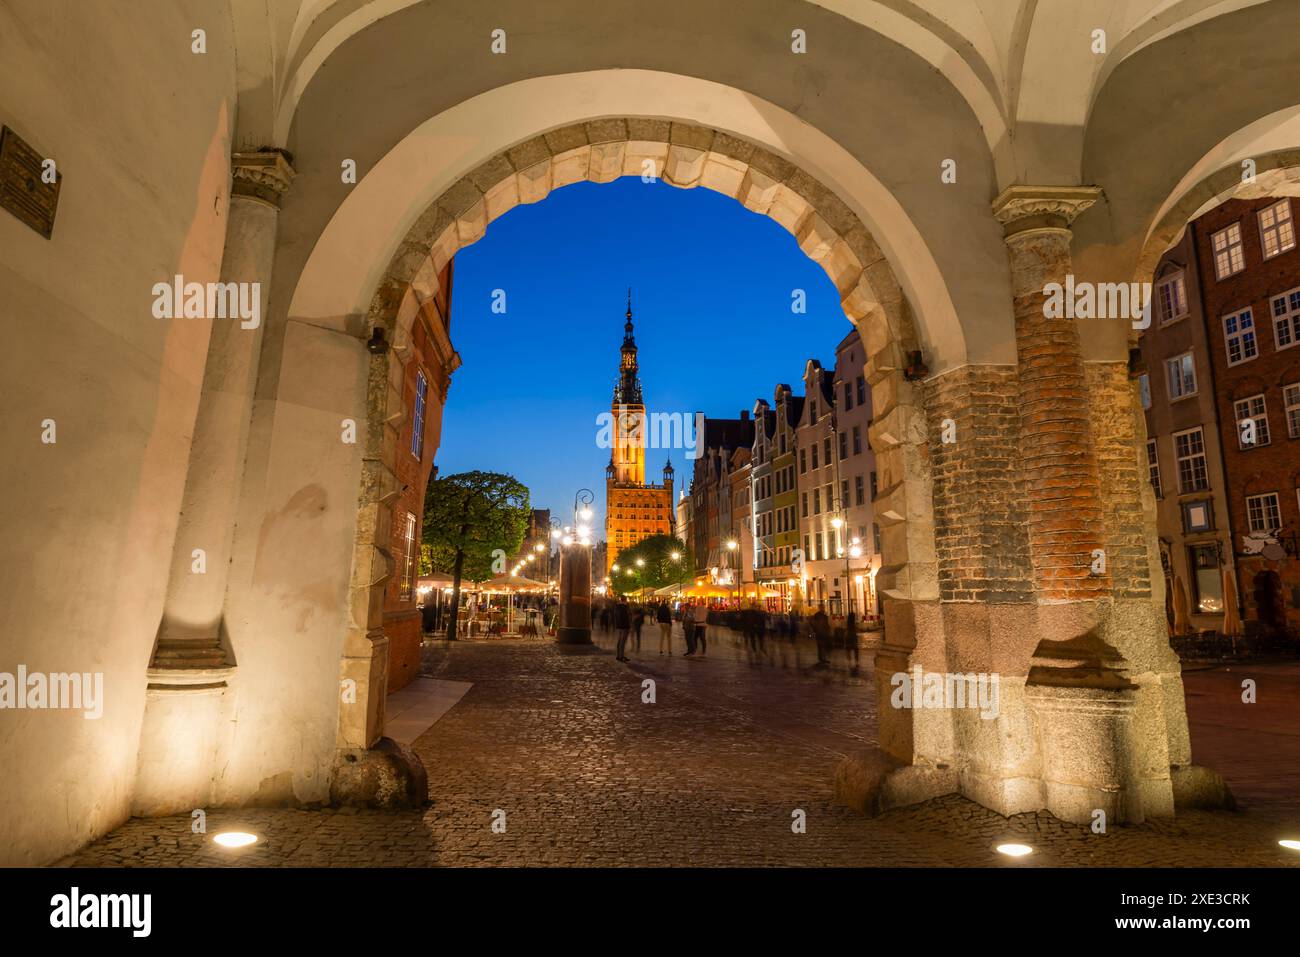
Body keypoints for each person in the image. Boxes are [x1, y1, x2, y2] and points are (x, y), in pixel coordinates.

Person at [613, 596, 631, 662]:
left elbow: (615, 616)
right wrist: (628, 626)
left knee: (620, 641)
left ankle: (619, 655)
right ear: (625, 600)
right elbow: (625, 618)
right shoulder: (624, 608)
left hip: (619, 626)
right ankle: (621, 656)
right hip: (624, 626)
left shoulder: (617, 607)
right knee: (622, 642)